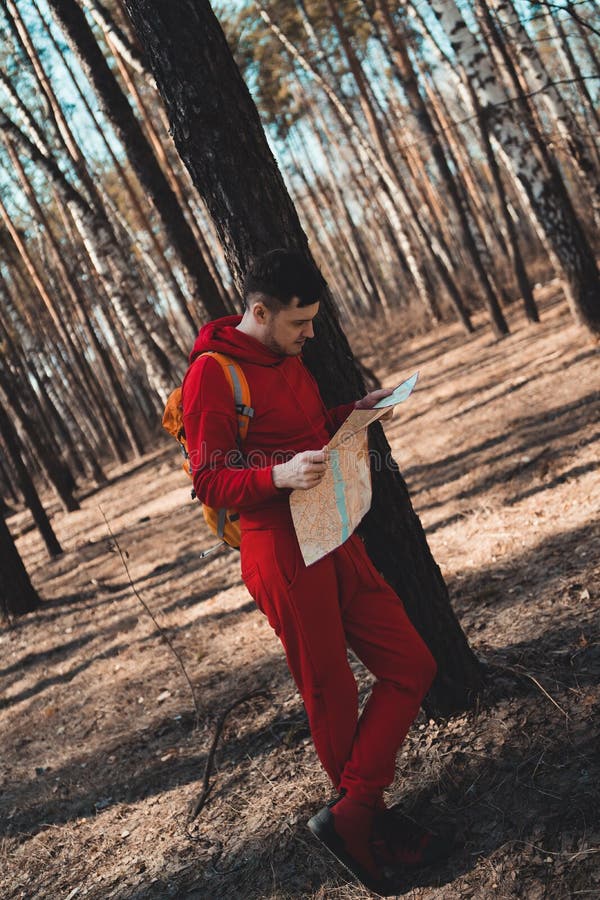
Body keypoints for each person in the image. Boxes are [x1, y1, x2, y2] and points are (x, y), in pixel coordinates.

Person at [182, 249, 447, 894]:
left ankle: (351, 812)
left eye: (313, 323)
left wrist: (354, 414)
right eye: (300, 323)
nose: (310, 335)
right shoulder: (213, 376)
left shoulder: (288, 357)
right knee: (330, 692)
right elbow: (209, 479)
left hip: (332, 531)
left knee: (412, 664)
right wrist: (274, 476)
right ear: (261, 311)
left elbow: (305, 434)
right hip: (280, 549)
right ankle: (368, 824)